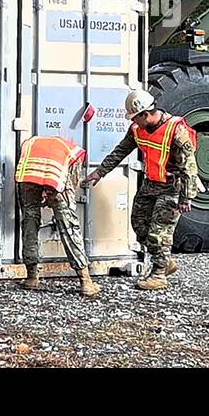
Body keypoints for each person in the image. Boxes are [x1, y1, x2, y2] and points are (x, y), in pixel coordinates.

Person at [84, 89, 199, 290]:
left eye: (135, 118)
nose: (133, 122)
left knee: (159, 231)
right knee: (139, 224)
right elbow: (121, 150)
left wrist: (187, 197)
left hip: (173, 187)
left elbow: (189, 166)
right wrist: (100, 172)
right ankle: (163, 261)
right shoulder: (137, 129)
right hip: (151, 184)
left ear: (145, 114)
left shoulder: (176, 130)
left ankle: (158, 275)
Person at [15, 134, 100, 297]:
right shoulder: (74, 152)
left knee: (29, 222)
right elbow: (71, 183)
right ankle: (86, 281)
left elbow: (33, 170)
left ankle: (31, 277)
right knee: (68, 225)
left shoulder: (30, 143)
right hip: (56, 179)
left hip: (28, 175)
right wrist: (55, 199)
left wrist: (45, 197)